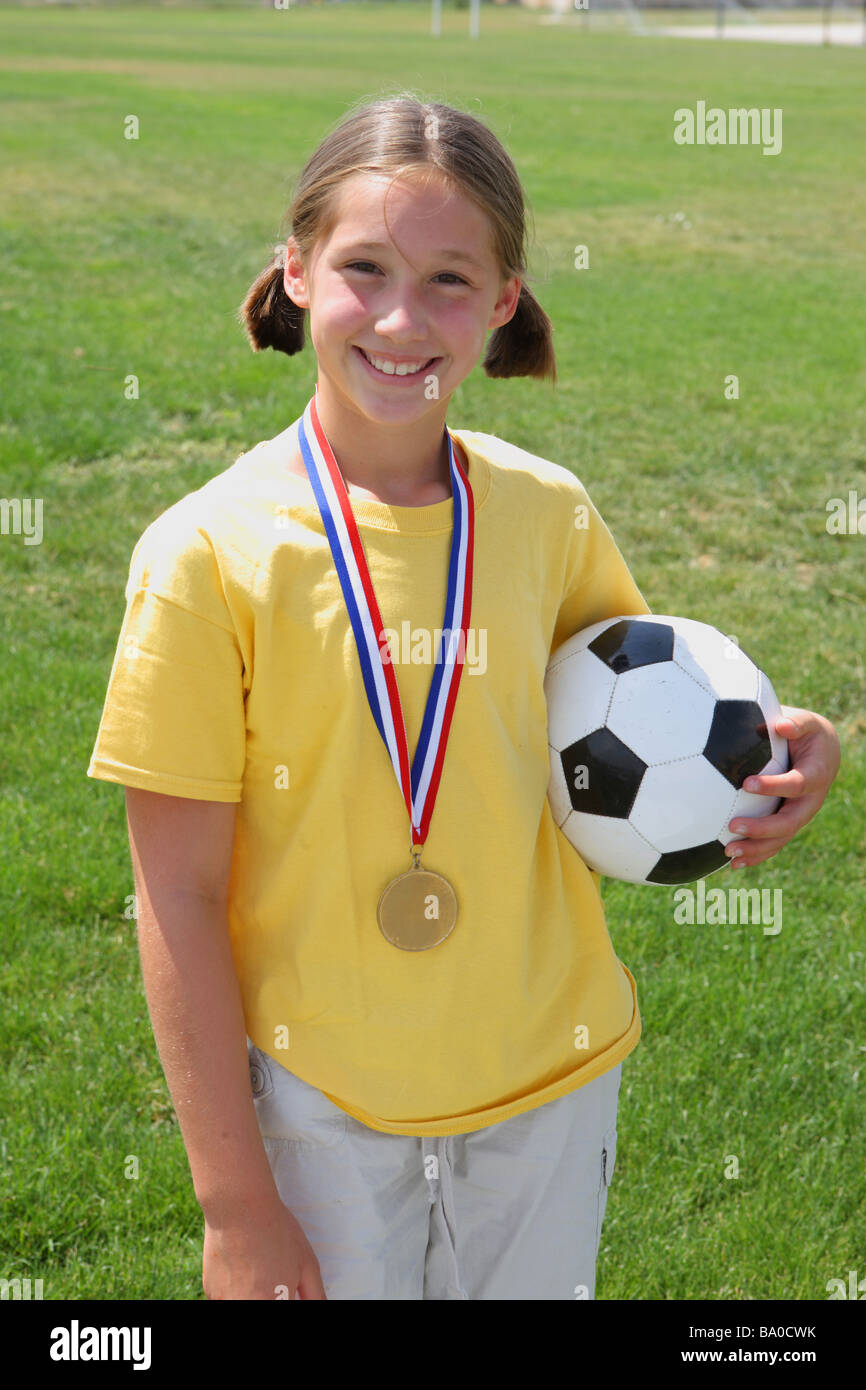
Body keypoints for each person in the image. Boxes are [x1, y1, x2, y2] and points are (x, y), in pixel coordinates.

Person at [87, 92, 841, 1301]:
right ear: (293, 269)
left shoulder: (546, 512)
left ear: (501, 303)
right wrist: (235, 1204)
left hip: (549, 1083)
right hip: (316, 1107)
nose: (399, 317)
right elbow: (175, 891)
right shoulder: (206, 555)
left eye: (448, 280)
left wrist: (792, 750)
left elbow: (657, 716)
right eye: (363, 268)